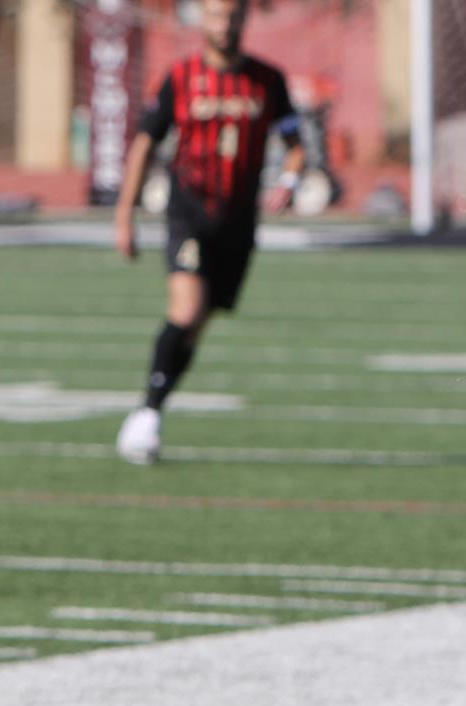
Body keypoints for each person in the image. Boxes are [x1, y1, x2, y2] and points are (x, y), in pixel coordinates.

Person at [112, 0, 302, 465]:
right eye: (216, 15)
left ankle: (151, 407)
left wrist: (288, 181)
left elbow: (295, 145)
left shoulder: (268, 80)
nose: (224, 24)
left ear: (244, 19)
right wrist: (124, 214)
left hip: (238, 223)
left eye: (232, 15)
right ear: (204, 20)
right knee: (187, 307)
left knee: (198, 324)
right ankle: (147, 416)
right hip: (189, 212)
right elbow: (143, 144)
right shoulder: (181, 77)